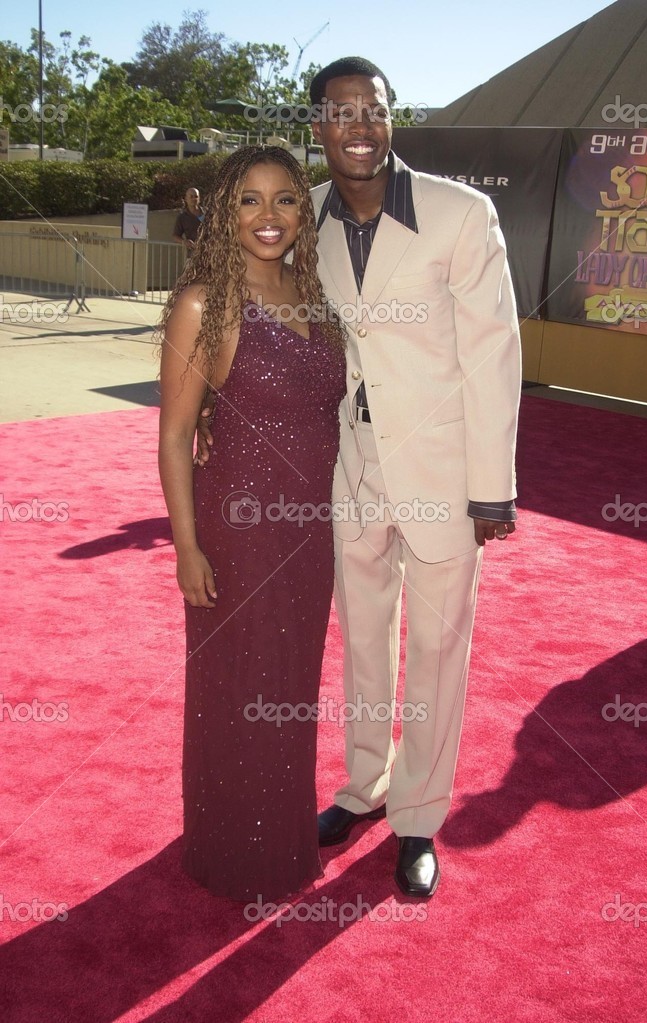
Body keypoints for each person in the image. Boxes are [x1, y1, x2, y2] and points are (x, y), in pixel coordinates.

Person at [198, 57, 522, 899]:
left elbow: (495, 355)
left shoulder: (461, 213)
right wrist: (212, 413)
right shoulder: (311, 224)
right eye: (339, 114)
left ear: (390, 118)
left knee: (438, 650)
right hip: (351, 469)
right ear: (319, 127)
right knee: (364, 644)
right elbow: (273, 314)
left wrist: (493, 485)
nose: (358, 127)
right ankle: (363, 785)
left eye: (371, 110)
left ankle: (418, 817)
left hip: (447, 473)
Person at [158, 146, 346, 902]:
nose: (268, 218)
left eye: (285, 201)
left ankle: (274, 829)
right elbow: (174, 434)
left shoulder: (313, 293)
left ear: (305, 211)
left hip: (310, 534)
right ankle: (234, 847)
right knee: (239, 687)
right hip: (238, 531)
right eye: (248, 201)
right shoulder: (205, 302)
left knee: (291, 686)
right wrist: (186, 546)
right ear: (223, 212)